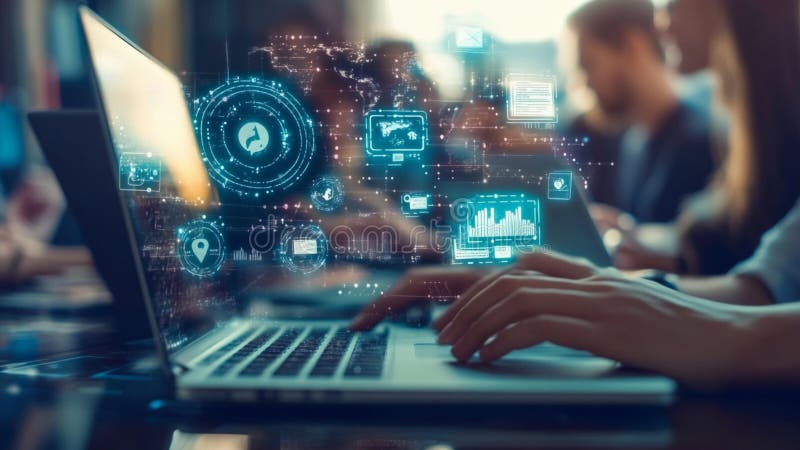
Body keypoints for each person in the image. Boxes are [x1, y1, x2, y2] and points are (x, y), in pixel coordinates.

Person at [351, 0, 800, 388]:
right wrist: (586, 287)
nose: (661, 17)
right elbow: (761, 289)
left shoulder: (703, 135)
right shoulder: (714, 135)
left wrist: (628, 296)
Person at [566, 0, 715, 223]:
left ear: (632, 45)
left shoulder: (702, 143)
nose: (583, 84)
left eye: (589, 64)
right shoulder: (631, 140)